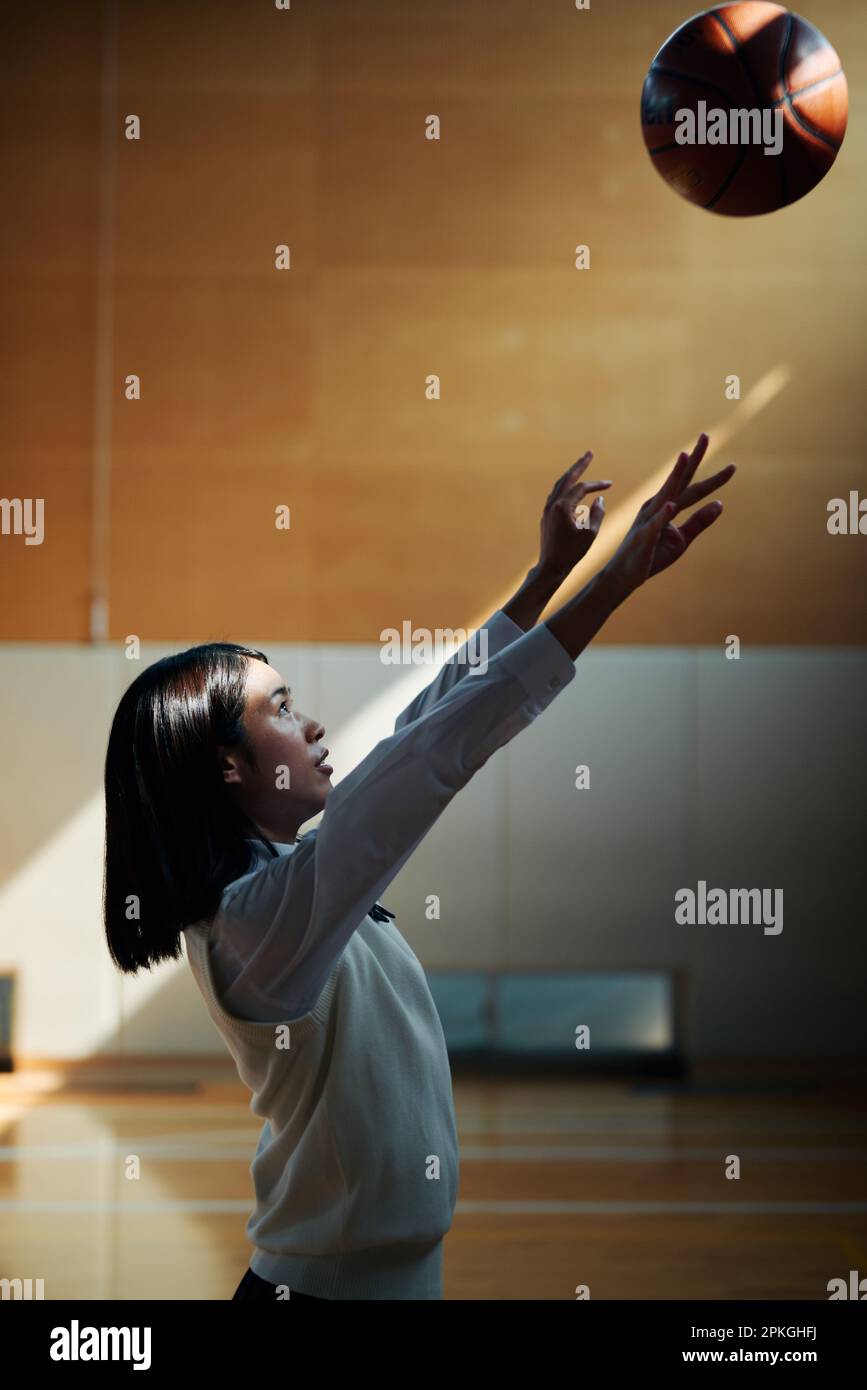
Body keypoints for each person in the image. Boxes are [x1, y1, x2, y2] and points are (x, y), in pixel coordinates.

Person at [103, 432, 733, 1300]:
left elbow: (422, 726)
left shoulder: (284, 892)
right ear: (227, 765)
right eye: (280, 709)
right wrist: (614, 585)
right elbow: (434, 751)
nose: (312, 725)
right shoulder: (253, 920)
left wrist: (543, 578)